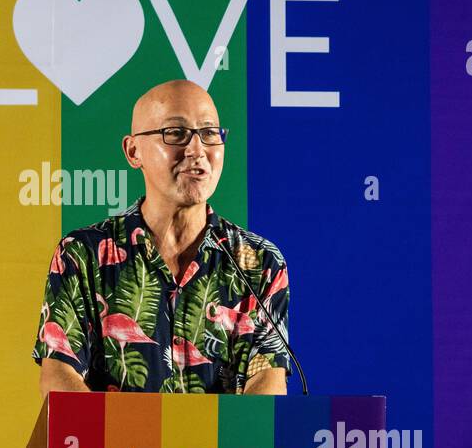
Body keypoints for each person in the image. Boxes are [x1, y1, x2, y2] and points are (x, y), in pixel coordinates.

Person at [33, 79, 296, 398]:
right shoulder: (84, 255)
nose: (197, 150)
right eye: (176, 133)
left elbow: (267, 377)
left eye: (210, 133)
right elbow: (59, 375)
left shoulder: (259, 261)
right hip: (118, 447)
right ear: (133, 151)